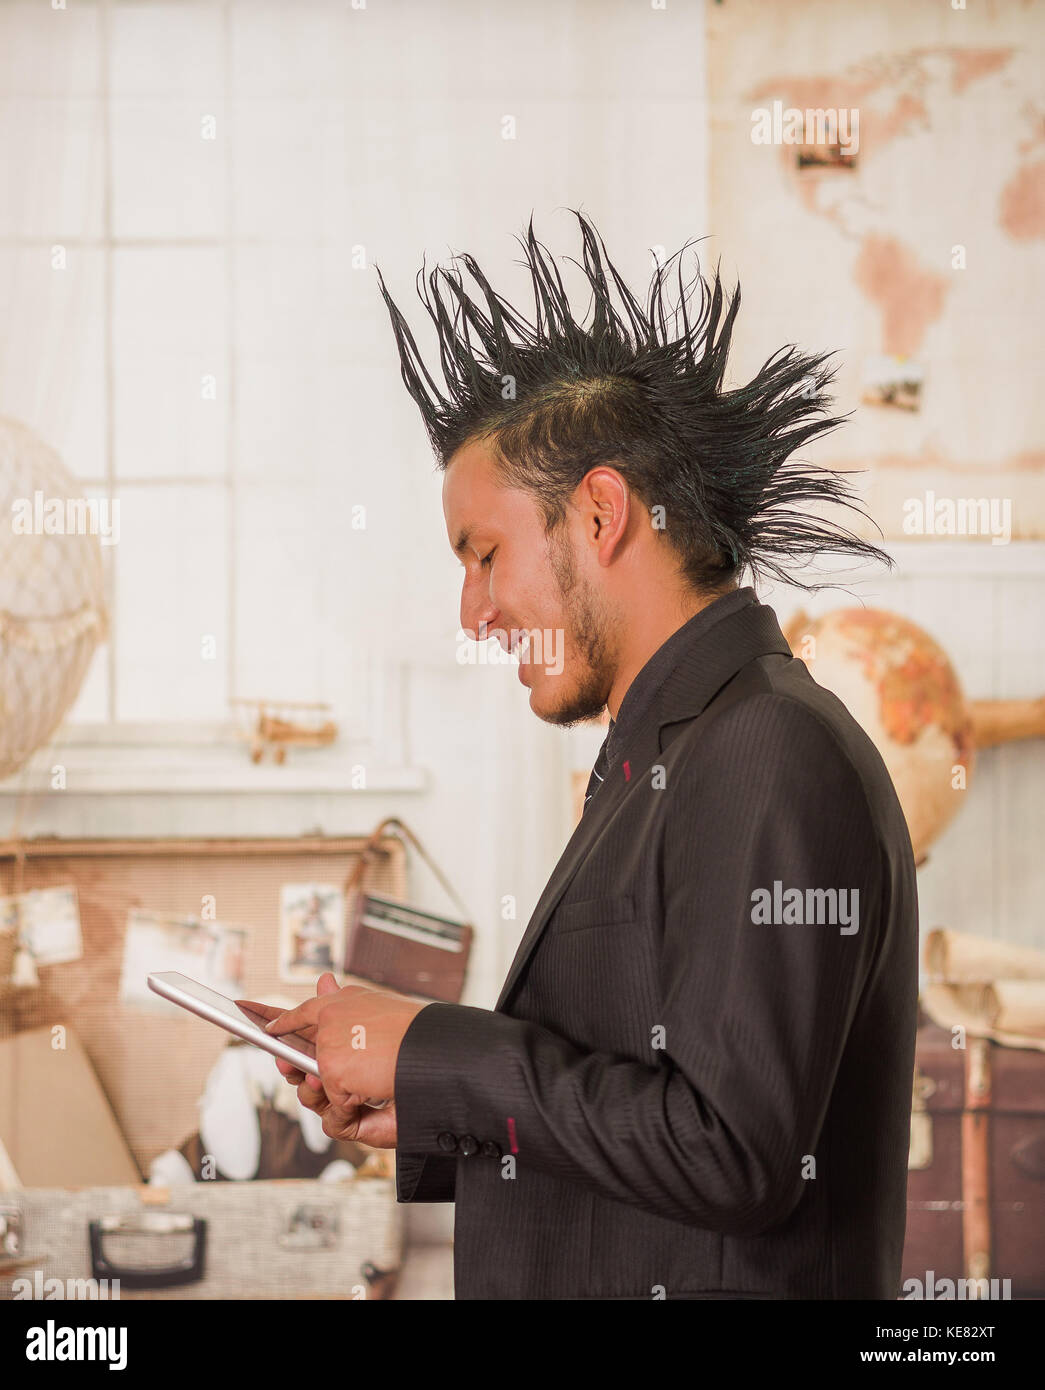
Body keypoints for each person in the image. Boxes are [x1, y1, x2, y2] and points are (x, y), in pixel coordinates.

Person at [256, 211, 919, 1300]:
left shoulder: (767, 751)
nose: (472, 611)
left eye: (485, 554)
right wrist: (409, 1090)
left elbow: (730, 1150)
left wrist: (431, 1045)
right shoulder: (662, 756)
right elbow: (627, 1101)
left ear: (601, 513)